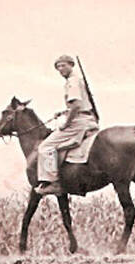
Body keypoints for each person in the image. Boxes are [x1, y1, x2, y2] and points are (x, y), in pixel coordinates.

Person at [35, 55, 99, 197]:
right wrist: (64, 112)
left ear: (71, 65)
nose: (60, 69)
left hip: (78, 122)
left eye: (63, 66)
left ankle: (53, 182)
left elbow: (76, 106)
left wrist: (66, 123)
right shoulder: (78, 81)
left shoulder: (72, 82)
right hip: (87, 118)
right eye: (58, 67)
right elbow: (80, 105)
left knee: (45, 147)